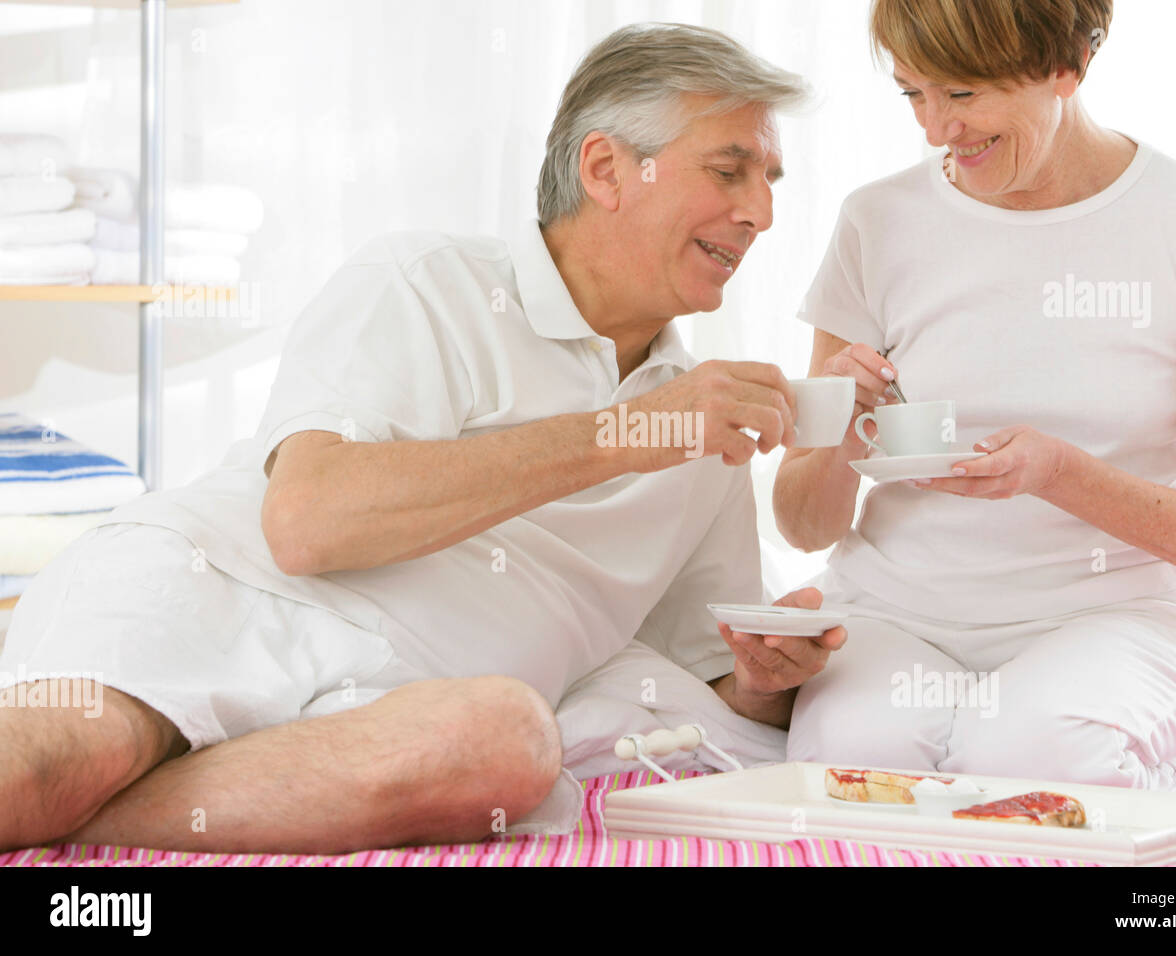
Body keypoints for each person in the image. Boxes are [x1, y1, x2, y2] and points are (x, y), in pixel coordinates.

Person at [0, 22, 845, 854]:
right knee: (60, 762)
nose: (762, 213)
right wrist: (628, 432)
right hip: (213, 595)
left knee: (510, 746)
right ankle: (76, 794)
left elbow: (706, 676)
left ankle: (93, 815)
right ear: (605, 169)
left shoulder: (704, 429)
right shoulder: (430, 282)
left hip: (389, 714)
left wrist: (766, 677)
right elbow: (307, 522)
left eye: (770, 180)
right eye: (730, 171)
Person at [774, 0, 1176, 789]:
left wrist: (1057, 472)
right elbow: (803, 522)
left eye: (964, 94)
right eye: (914, 93)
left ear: (1070, 67)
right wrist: (839, 433)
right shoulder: (874, 222)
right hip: (897, 615)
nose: (935, 130)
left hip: (1110, 620)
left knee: (1032, 762)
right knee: (853, 767)